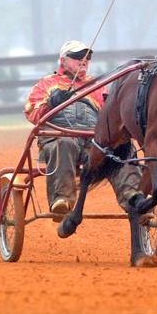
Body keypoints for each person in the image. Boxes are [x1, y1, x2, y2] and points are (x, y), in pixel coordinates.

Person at [24, 40, 145, 219]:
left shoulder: (97, 87)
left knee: (121, 147)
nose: (84, 61)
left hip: (93, 143)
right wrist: (51, 102)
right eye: (77, 57)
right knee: (65, 142)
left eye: (87, 58)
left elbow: (113, 115)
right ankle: (62, 200)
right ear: (63, 61)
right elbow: (31, 113)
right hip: (58, 137)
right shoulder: (46, 84)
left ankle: (134, 197)